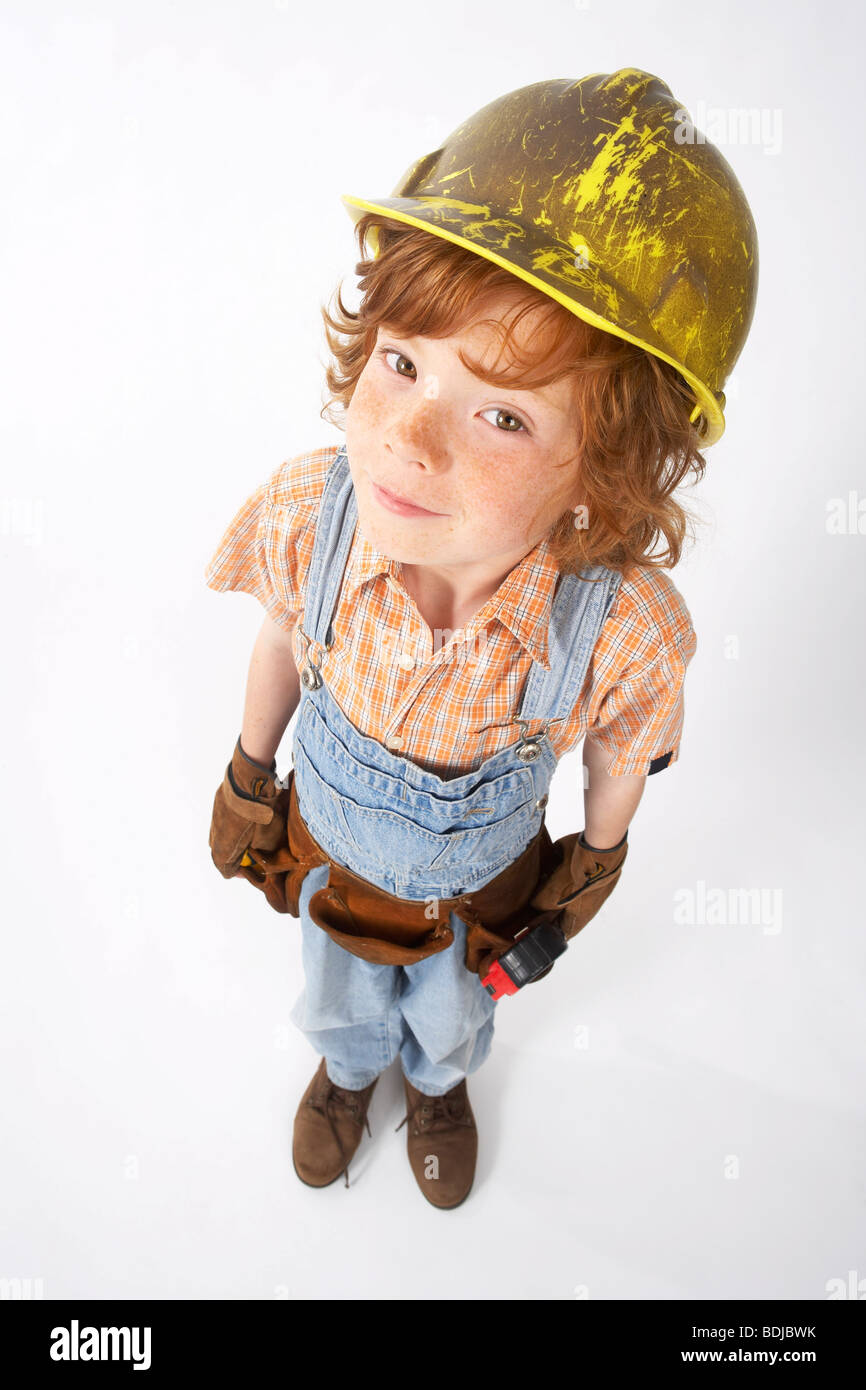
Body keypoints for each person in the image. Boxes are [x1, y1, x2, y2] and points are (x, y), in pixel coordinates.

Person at [204, 68, 759, 1209]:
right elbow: (274, 639)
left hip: (477, 901)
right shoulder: (313, 513)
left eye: (502, 415)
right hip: (337, 862)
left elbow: (616, 752)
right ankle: (348, 1073)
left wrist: (592, 860)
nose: (407, 436)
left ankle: (439, 1082)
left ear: (597, 480)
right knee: (336, 991)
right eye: (402, 362)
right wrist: (250, 771)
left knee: (454, 1011)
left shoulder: (618, 625)